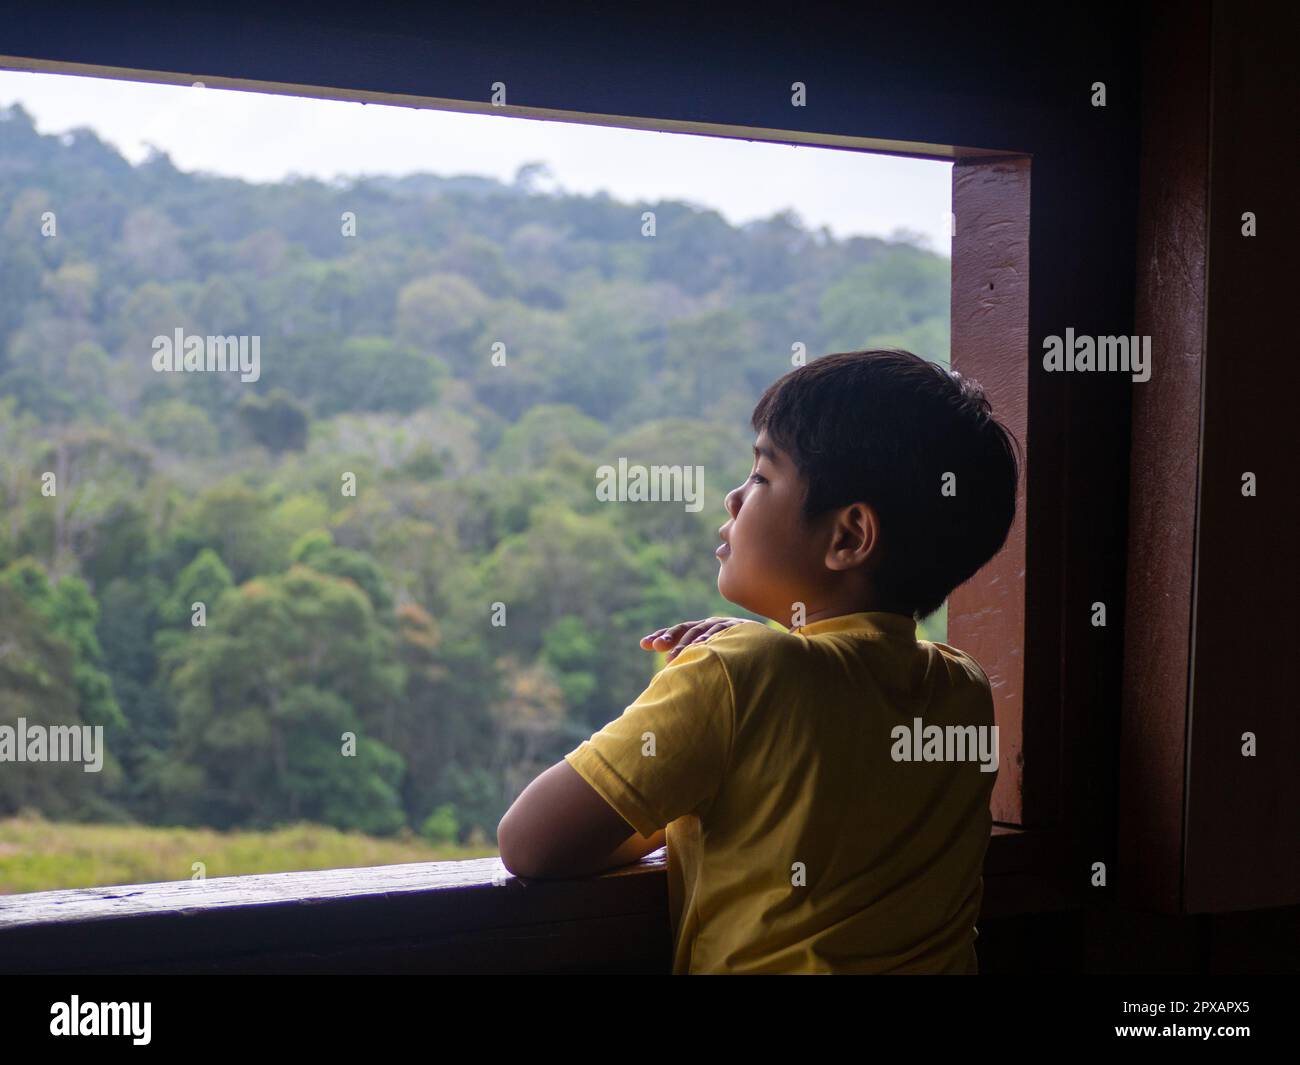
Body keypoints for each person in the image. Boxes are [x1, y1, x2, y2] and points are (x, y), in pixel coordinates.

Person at [498, 348, 1021, 974]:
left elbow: (530, 842)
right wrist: (767, 651)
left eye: (762, 477)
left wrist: (737, 663)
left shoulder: (736, 673)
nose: (732, 498)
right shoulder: (961, 686)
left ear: (849, 537)